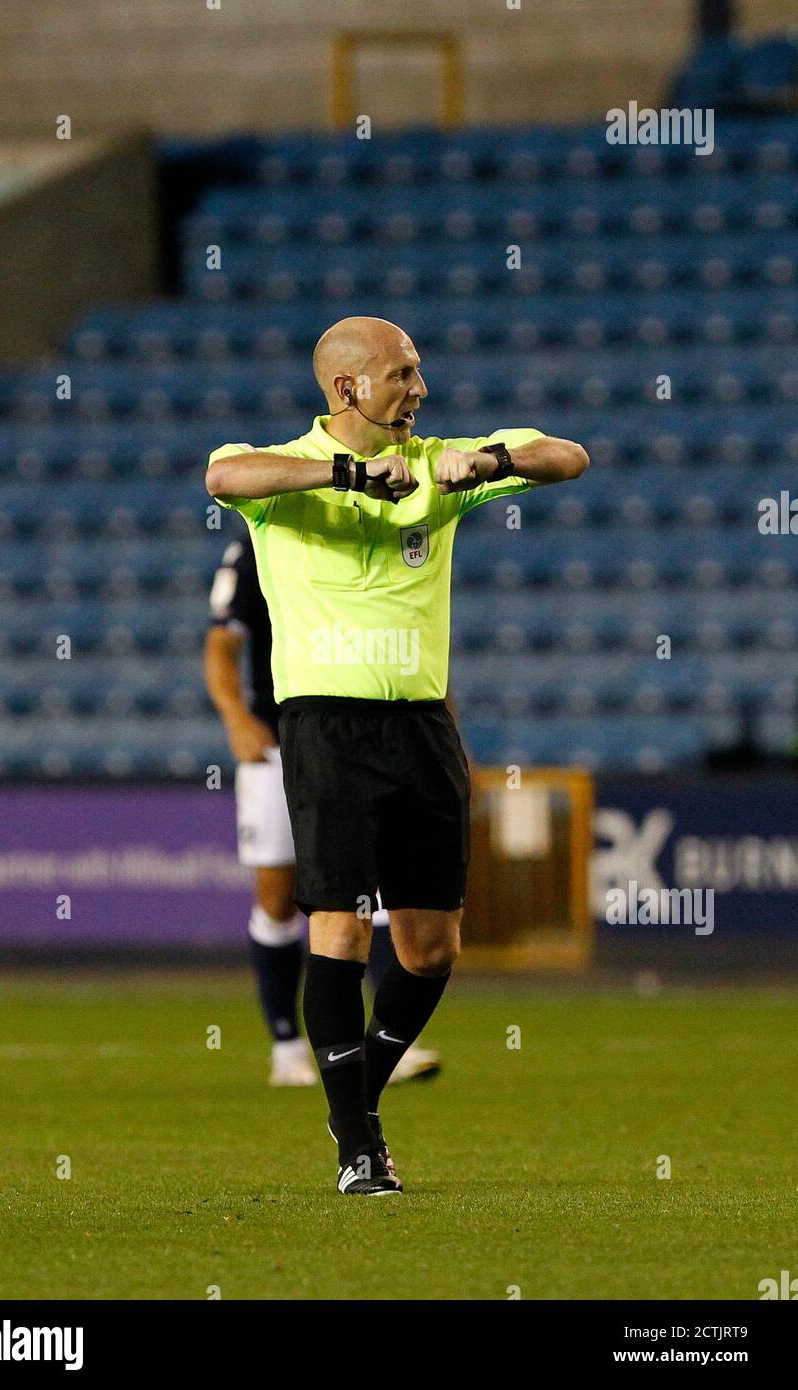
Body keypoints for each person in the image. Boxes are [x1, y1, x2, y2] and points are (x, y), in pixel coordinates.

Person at [205, 316, 588, 1195]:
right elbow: (223, 472)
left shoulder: (440, 467)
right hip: (326, 728)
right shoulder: (282, 475)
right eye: (403, 375)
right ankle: (359, 1149)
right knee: (338, 929)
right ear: (346, 390)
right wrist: (347, 473)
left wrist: (488, 462)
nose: (420, 389)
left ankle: (355, 1099)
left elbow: (568, 457)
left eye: (418, 373)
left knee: (431, 951)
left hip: (423, 729)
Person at [205, 528, 443, 1086]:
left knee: (381, 887)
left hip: (367, 739)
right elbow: (222, 643)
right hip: (281, 740)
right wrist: (237, 718)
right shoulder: (263, 538)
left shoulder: (378, 529)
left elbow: (417, 640)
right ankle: (287, 1046)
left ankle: (389, 1040)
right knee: (279, 893)